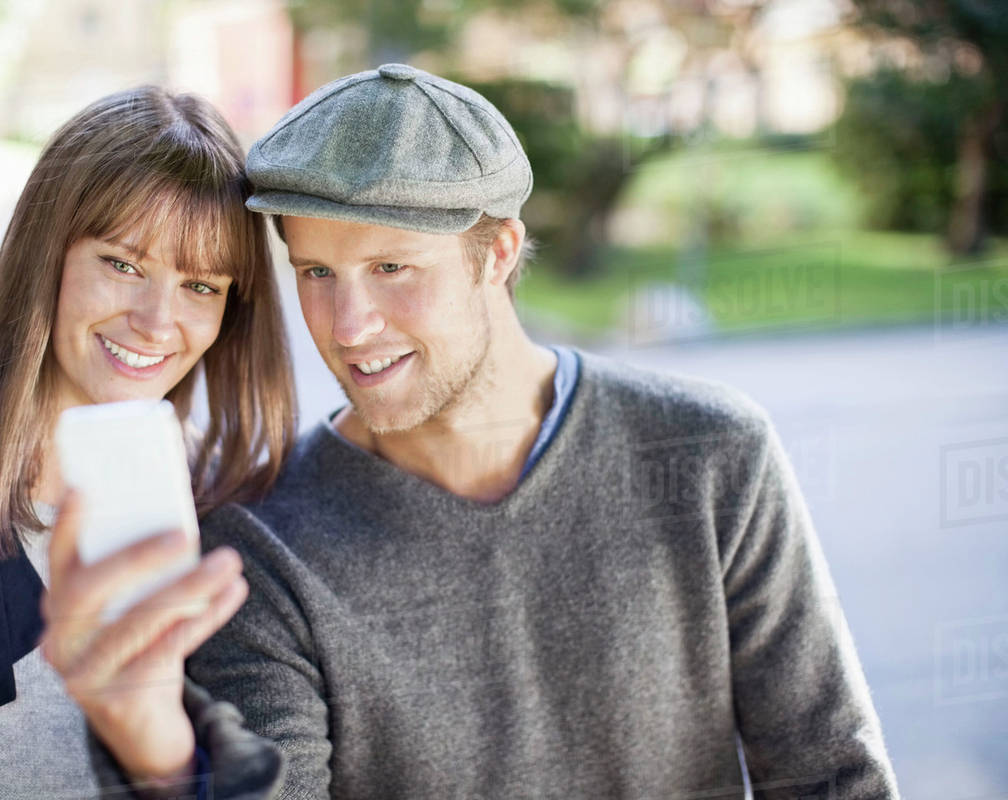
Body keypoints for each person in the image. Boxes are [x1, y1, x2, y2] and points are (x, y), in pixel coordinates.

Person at [186, 64, 902, 798]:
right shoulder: (260, 548)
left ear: (496, 253)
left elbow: (832, 777)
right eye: (316, 273)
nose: (348, 326)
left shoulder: (711, 455)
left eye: (392, 266)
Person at [0, 86, 292, 799]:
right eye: (123, 264)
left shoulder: (241, 521)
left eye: (201, 286)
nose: (158, 323)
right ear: (47, 252)